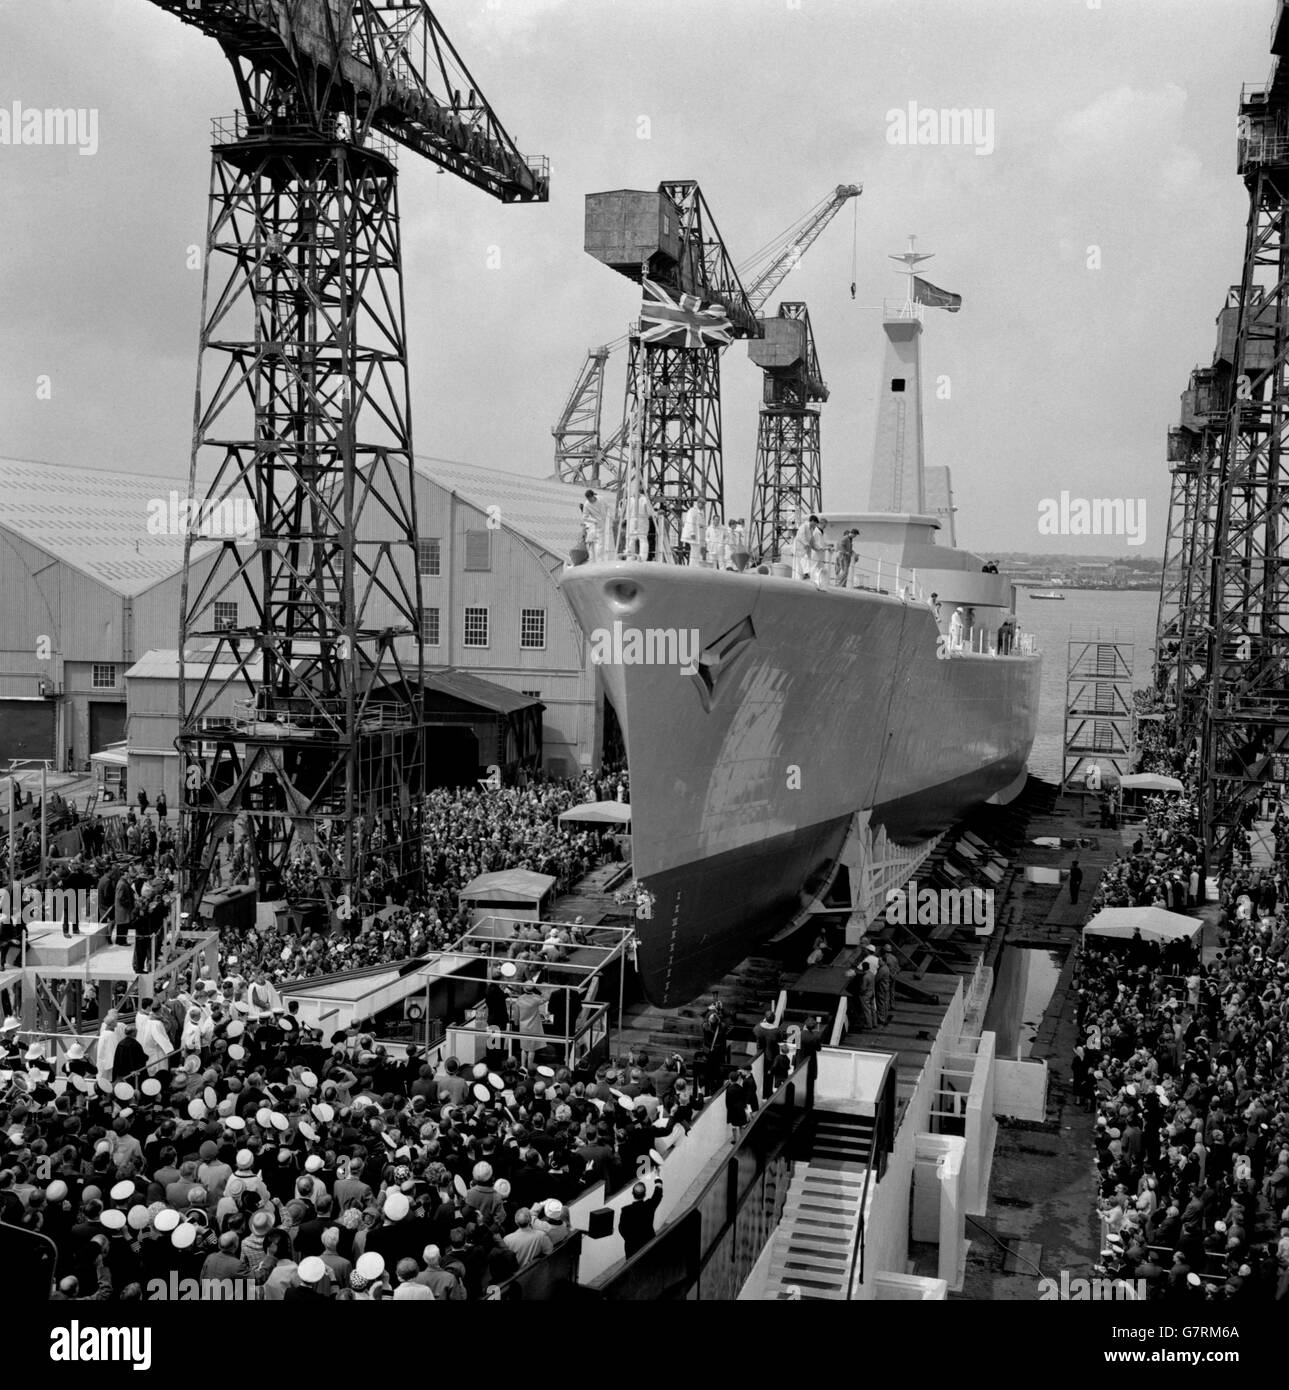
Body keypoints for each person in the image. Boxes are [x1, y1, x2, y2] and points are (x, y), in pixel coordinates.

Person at [618, 1178, 663, 1260]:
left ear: (632, 1193)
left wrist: (630, 1240)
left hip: (632, 1248)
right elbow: (658, 1194)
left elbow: (621, 1229)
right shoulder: (649, 1206)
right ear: (645, 1194)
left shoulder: (626, 1210)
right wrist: (657, 1177)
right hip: (649, 1243)